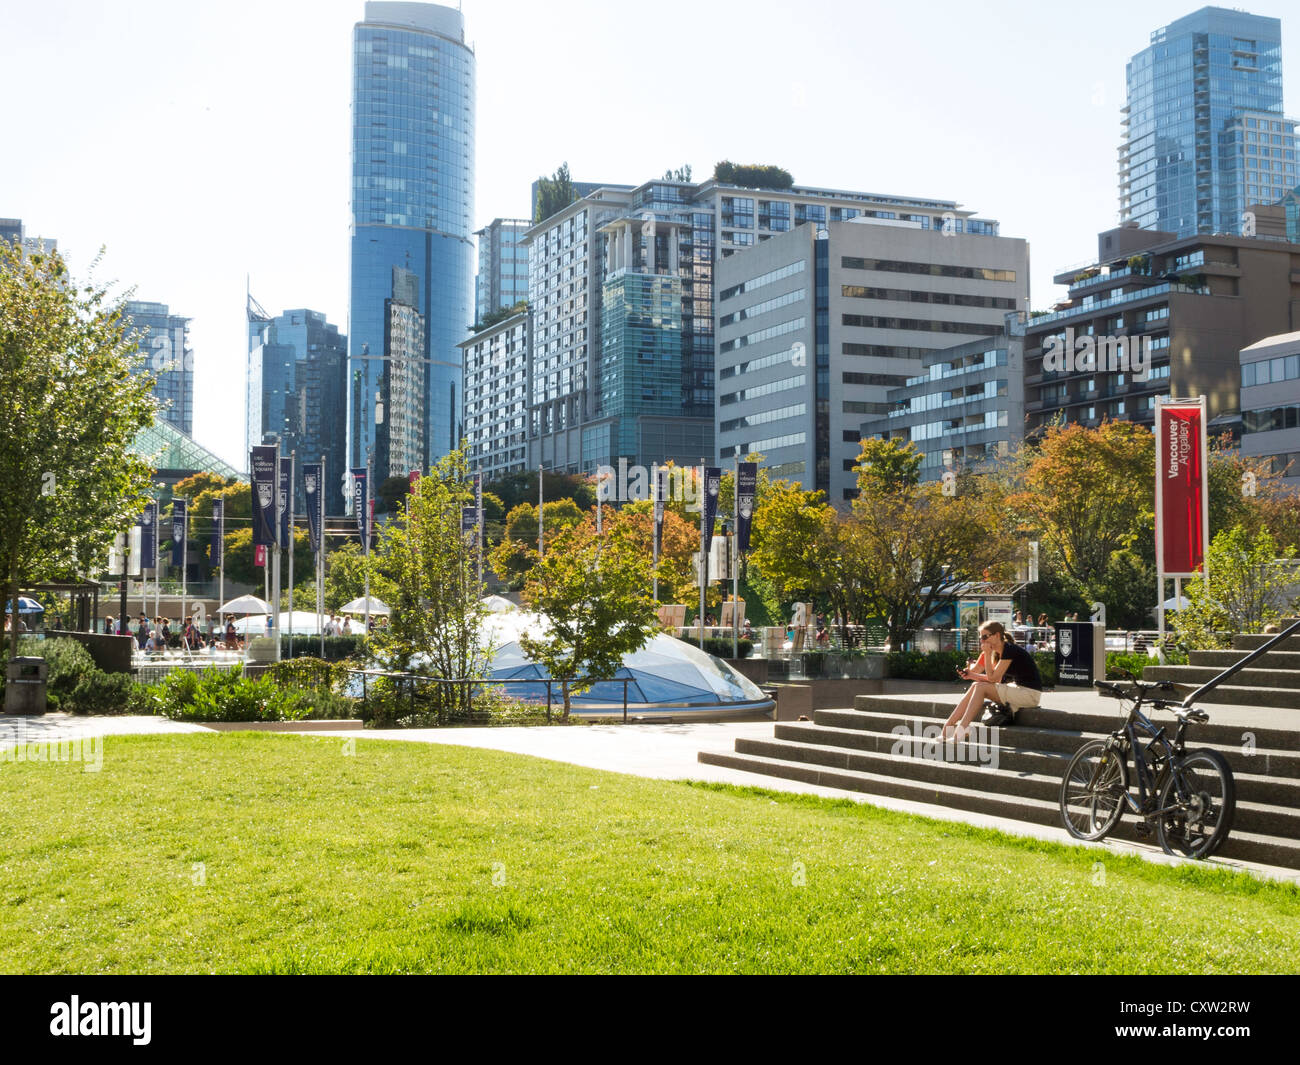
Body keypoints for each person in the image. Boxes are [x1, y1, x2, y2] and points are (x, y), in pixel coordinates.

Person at [942, 620, 1043, 741]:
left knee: (980, 687)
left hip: (1030, 694)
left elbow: (993, 678)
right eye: (981, 637)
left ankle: (960, 732)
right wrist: (971, 674)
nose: (982, 640)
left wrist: (987, 654)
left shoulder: (1009, 650)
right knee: (976, 685)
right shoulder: (998, 651)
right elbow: (989, 677)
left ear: (997, 635)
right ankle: (946, 729)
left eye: (985, 636)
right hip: (1019, 690)